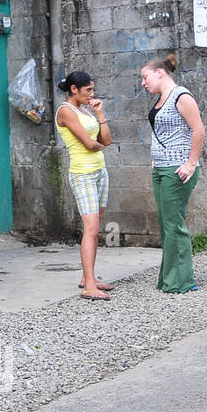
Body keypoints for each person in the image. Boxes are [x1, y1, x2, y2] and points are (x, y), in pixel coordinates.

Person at [141, 53, 205, 293]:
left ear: (160, 73)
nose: (143, 83)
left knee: (174, 225)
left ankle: (182, 281)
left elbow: (198, 129)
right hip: (161, 169)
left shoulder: (181, 95)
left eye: (145, 77)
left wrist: (191, 164)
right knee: (167, 225)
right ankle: (169, 280)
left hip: (177, 170)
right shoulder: (162, 98)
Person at [55, 70, 115, 300]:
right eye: (88, 90)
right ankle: (89, 286)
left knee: (95, 227)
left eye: (92, 89)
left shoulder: (85, 110)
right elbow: (90, 144)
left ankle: (87, 277)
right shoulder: (65, 111)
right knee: (90, 229)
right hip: (83, 174)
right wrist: (99, 144)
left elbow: (106, 139)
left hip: (100, 172)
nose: (92, 94)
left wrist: (99, 113)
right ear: (74, 89)